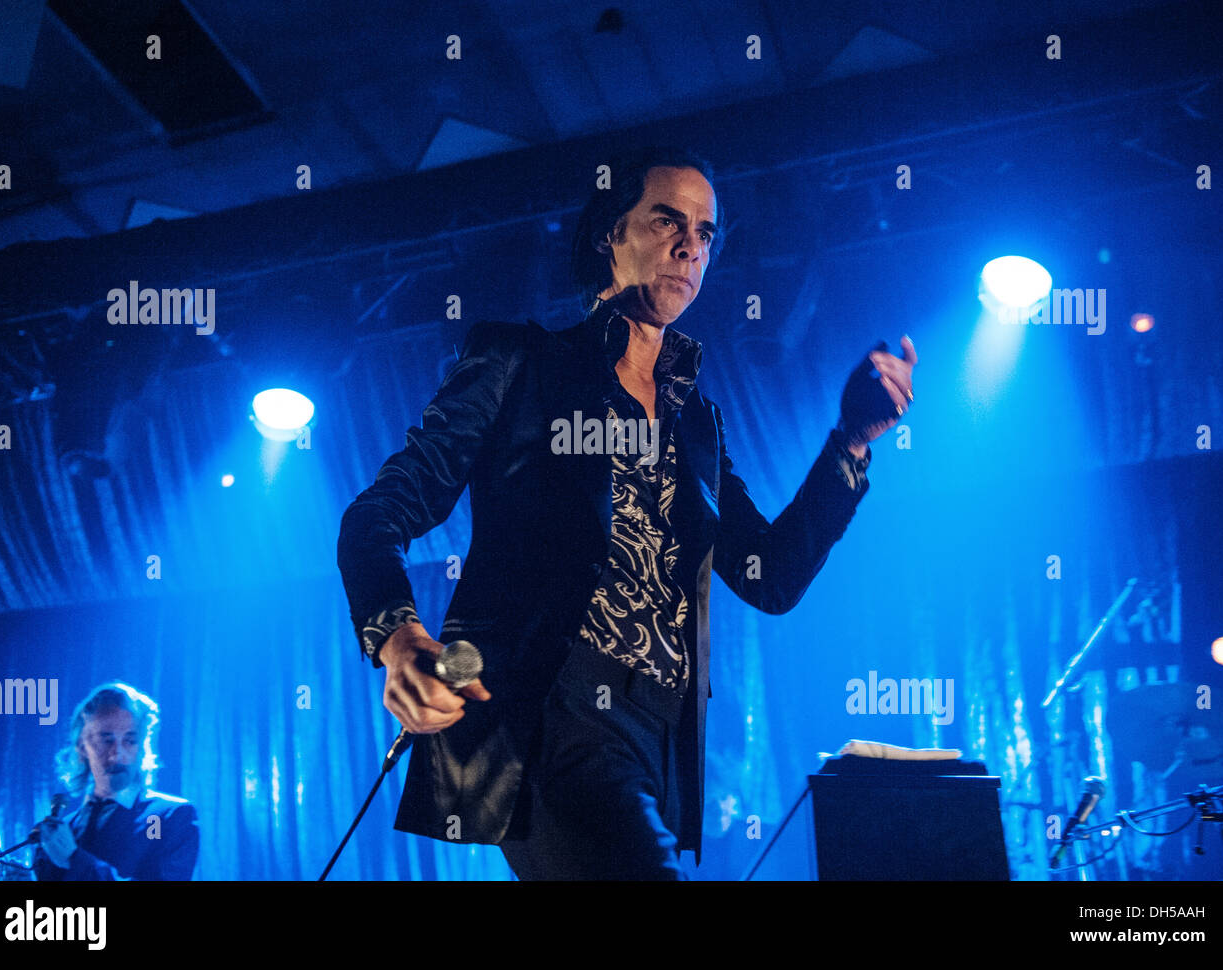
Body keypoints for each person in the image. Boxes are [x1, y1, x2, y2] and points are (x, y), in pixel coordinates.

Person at [337, 145, 916, 879]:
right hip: (553, 710)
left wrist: (850, 443)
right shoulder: (520, 363)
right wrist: (398, 639)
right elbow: (376, 516)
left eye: (705, 232)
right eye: (666, 221)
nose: (689, 246)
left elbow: (769, 579)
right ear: (608, 234)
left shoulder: (695, 423)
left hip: (661, 740)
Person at [33, 682, 198, 881]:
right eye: (106, 740)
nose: (117, 754)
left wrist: (74, 858)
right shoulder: (66, 827)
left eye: (130, 740)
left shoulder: (167, 817)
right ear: (83, 747)